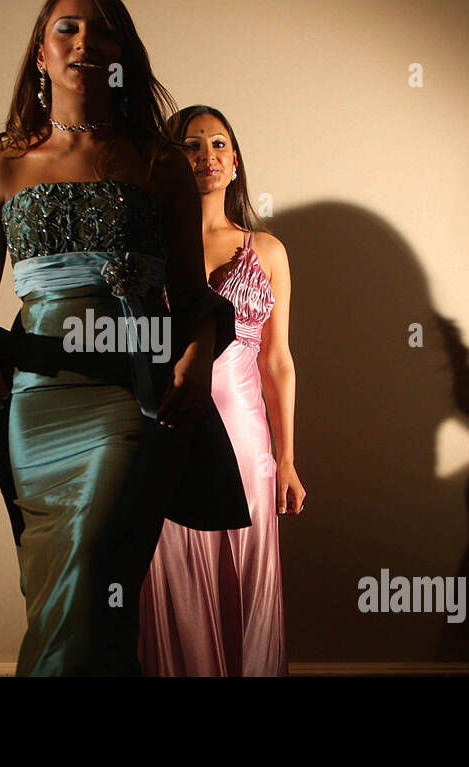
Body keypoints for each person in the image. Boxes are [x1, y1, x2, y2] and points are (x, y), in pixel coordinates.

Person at [0, 0, 250, 676]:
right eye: (66, 28)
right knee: (60, 595)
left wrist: (196, 360)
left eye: (103, 27)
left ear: (123, 54)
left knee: (90, 569)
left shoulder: (160, 166)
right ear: (40, 55)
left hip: (133, 401)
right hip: (36, 407)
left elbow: (197, 299)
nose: (84, 40)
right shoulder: (4, 172)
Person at [138, 106, 304, 676]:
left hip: (245, 442)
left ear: (234, 161)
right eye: (190, 146)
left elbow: (278, 362)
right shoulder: (147, 250)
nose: (206, 156)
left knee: (245, 573)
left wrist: (286, 460)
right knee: (168, 575)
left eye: (217, 144)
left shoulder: (269, 251)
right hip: (164, 426)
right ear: (172, 162)